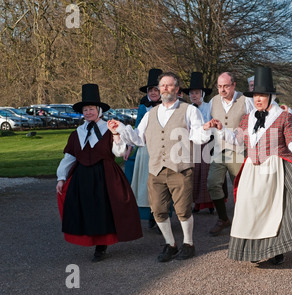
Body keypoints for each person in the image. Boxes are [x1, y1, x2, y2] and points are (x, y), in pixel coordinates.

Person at [207, 67, 292, 265]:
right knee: (250, 211)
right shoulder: (249, 117)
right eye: (255, 95)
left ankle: (277, 249)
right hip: (252, 171)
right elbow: (237, 139)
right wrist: (221, 129)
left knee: (273, 212)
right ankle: (254, 251)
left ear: (271, 96)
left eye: (262, 95)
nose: (258, 99)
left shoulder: (283, 117)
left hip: (274, 171)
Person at [107, 72, 212, 262]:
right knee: (158, 210)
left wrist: (205, 129)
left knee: (183, 210)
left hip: (180, 168)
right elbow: (139, 138)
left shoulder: (189, 110)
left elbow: (198, 136)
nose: (164, 89)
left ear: (177, 89)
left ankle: (188, 243)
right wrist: (121, 129)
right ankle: (170, 244)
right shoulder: (150, 114)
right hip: (156, 169)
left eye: (169, 85)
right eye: (161, 86)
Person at [56, 83, 143, 262]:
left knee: (104, 210)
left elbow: (119, 153)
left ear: (99, 110)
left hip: (105, 176)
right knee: (86, 210)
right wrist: (61, 177)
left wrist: (117, 135)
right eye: (85, 109)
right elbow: (69, 158)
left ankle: (101, 247)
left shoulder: (110, 128)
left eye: (91, 109)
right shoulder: (77, 133)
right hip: (83, 177)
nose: (88, 112)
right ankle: (92, 239)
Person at [207, 72, 254, 236]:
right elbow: (206, 123)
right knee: (212, 183)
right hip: (219, 150)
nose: (222, 90)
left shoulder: (246, 100)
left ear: (234, 85)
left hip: (239, 150)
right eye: (219, 86)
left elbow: (253, 122)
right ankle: (223, 218)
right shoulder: (212, 101)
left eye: (226, 86)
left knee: (241, 187)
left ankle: (244, 220)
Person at [125, 68, 164, 227]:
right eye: (151, 90)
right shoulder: (143, 106)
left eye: (156, 89)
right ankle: (148, 214)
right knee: (142, 180)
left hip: (161, 148)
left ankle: (161, 214)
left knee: (161, 182)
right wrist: (129, 146)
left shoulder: (168, 106)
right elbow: (137, 128)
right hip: (145, 149)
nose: (153, 92)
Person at [182, 72, 216, 214]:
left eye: (196, 93)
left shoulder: (209, 107)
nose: (193, 95)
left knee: (206, 174)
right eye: (191, 93)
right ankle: (196, 203)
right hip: (192, 144)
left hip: (208, 143)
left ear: (202, 93)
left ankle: (209, 203)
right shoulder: (187, 109)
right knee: (194, 174)